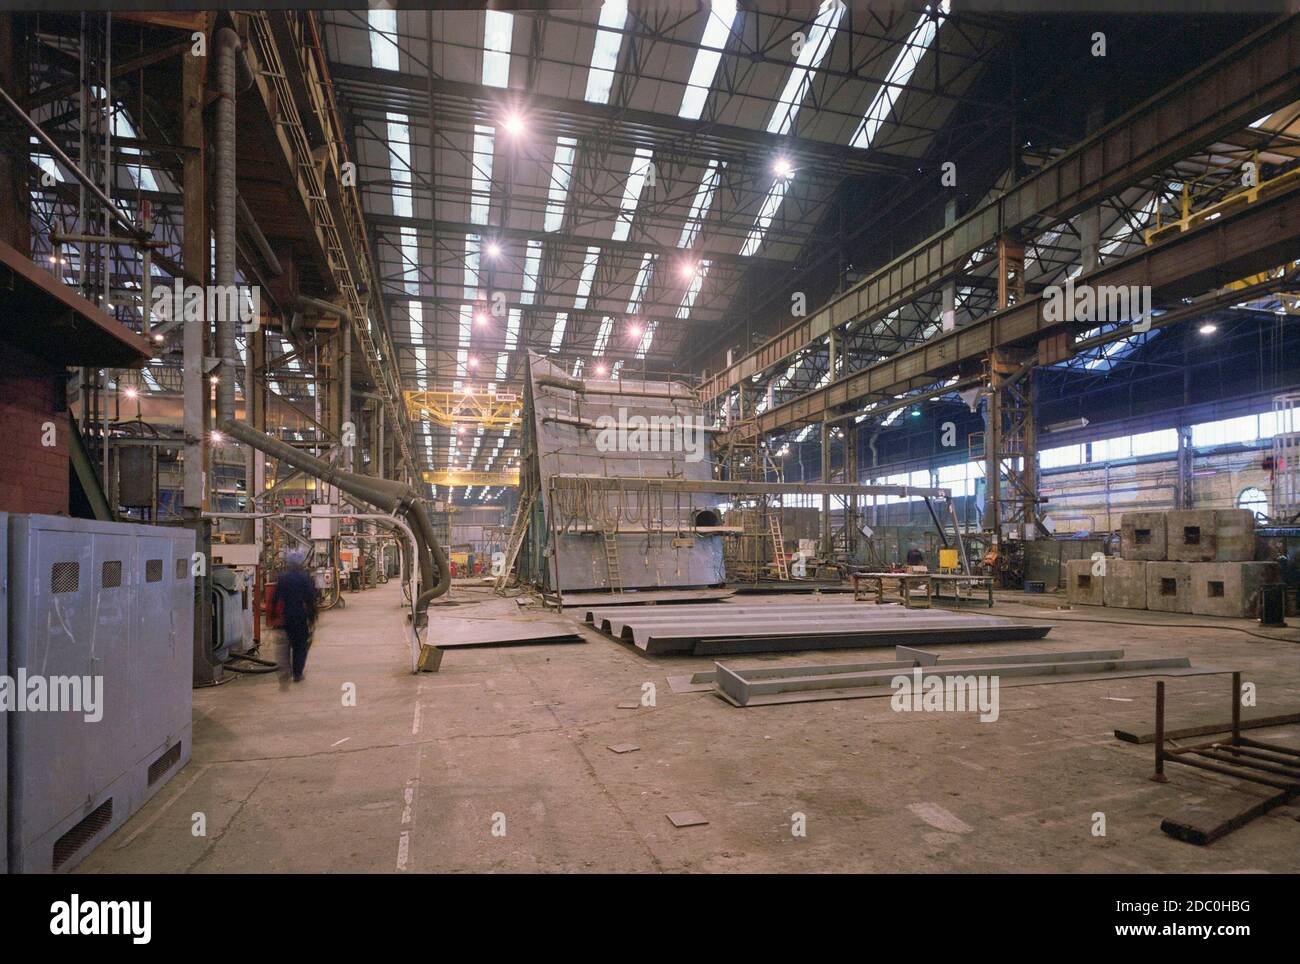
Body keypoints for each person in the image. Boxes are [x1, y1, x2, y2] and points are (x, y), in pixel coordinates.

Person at [272, 549, 317, 685]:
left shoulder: (283, 578)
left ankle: (286, 672)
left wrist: (273, 613)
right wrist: (312, 616)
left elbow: (275, 597)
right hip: (300, 614)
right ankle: (297, 673)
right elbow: (310, 598)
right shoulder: (304, 578)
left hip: (287, 614)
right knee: (300, 645)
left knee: (286, 645)